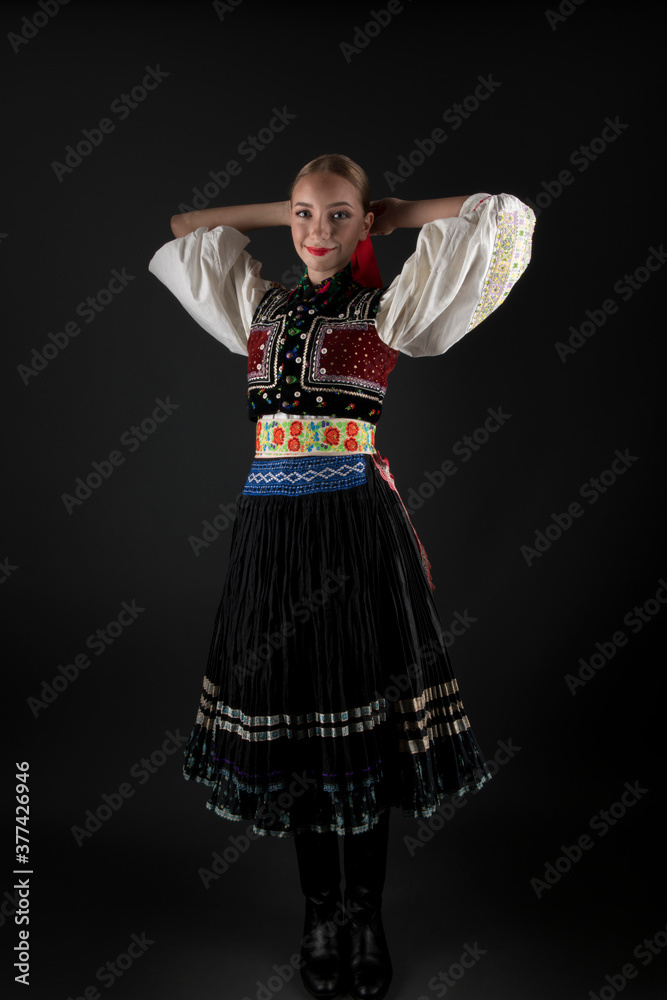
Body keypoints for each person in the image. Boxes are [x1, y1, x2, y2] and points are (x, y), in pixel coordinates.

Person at [148, 153, 536, 1000]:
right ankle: (318, 912)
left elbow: (497, 214)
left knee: (358, 725)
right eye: (301, 216)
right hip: (269, 534)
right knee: (293, 719)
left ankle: (365, 914)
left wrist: (386, 214)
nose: (316, 232)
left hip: (352, 530)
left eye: (336, 217)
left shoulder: (388, 310)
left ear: (367, 223)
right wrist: (300, 205)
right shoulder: (259, 306)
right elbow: (186, 231)